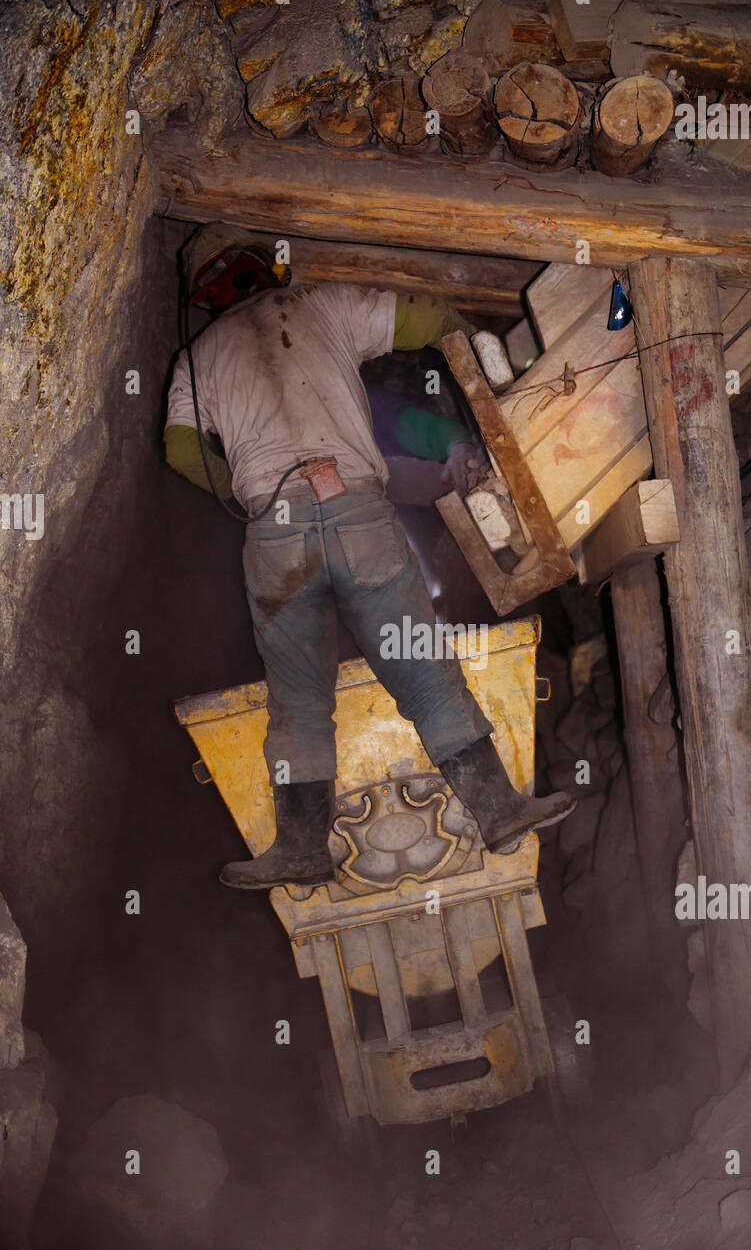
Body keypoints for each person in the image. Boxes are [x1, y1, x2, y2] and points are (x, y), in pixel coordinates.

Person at [164, 223, 574, 889]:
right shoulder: (321, 304)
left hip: (275, 532)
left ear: (203, 294)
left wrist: (250, 491)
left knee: (297, 701)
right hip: (356, 511)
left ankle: (301, 846)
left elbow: (182, 452)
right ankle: (496, 810)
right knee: (422, 671)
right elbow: (425, 314)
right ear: (271, 267)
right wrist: (478, 364)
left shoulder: (196, 357)